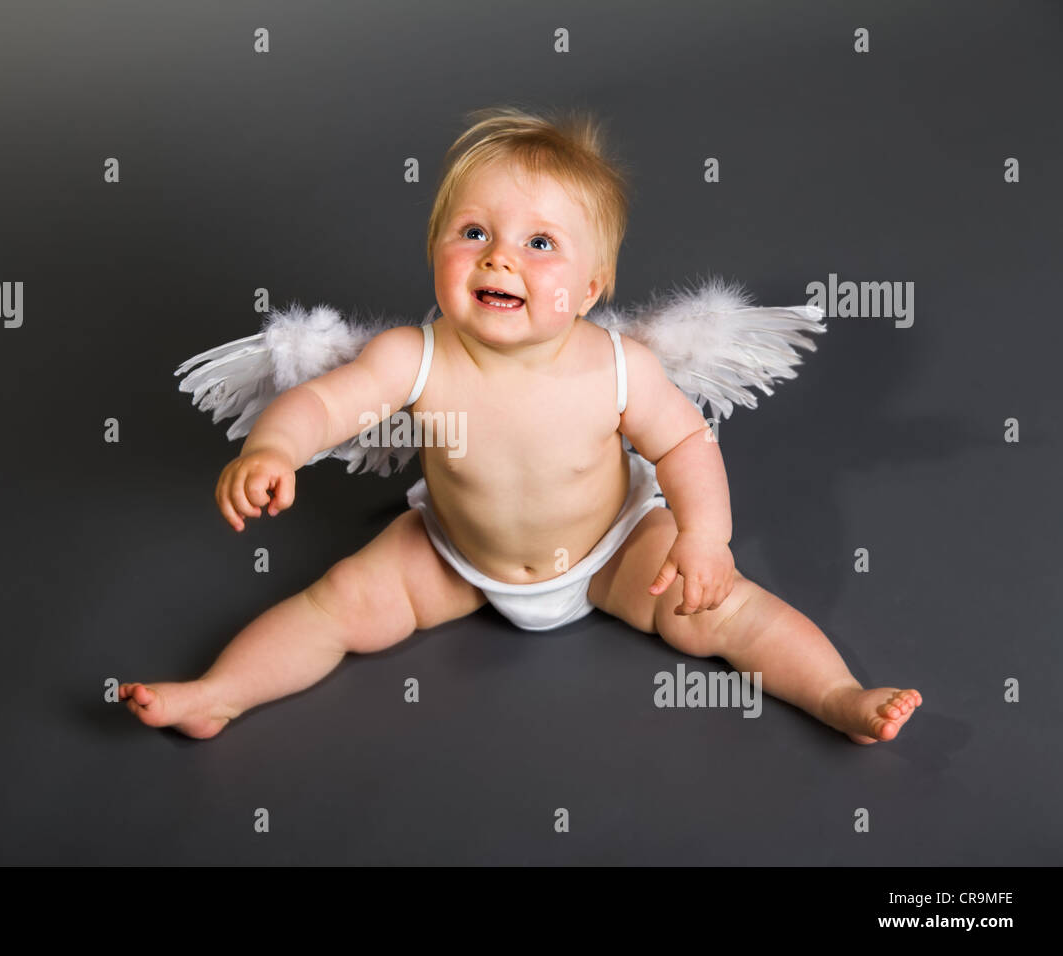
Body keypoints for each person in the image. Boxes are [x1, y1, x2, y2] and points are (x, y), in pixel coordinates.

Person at [122, 105, 920, 744]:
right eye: (475, 233)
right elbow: (328, 403)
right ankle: (219, 693)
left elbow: (684, 442)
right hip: (457, 554)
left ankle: (837, 693)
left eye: (540, 243)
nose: (500, 259)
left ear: (590, 287)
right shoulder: (416, 355)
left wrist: (703, 537)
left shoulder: (616, 366)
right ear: (437, 248)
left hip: (613, 547)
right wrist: (273, 447)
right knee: (337, 603)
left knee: (727, 612)